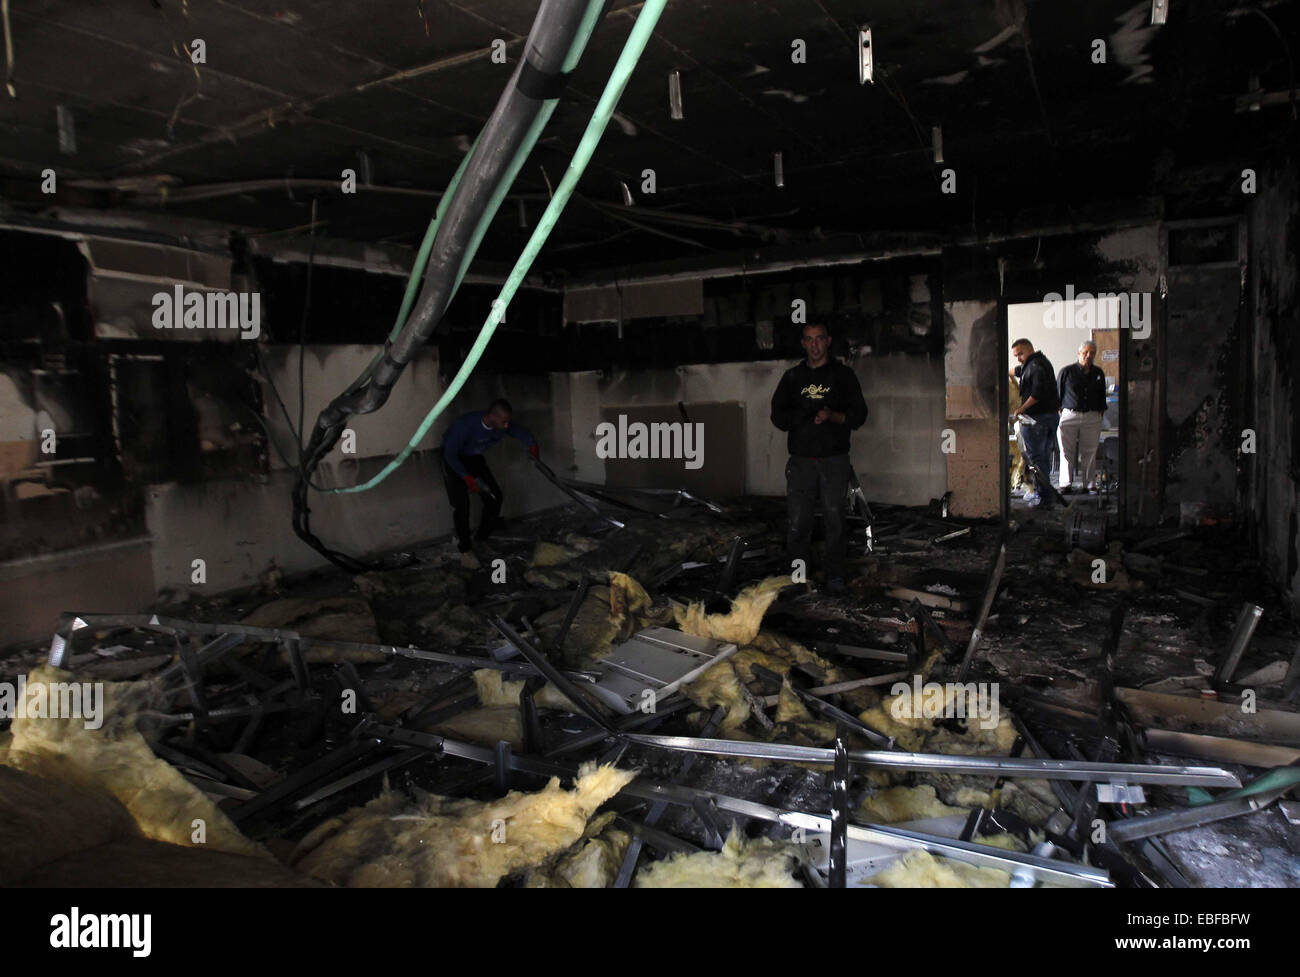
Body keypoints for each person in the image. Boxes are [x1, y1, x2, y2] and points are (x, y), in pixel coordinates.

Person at [770, 322, 868, 595]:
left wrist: (832, 416)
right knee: (799, 521)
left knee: (835, 519)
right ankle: (798, 576)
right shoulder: (792, 378)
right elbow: (777, 417)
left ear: (828, 341)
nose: (814, 345)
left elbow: (860, 415)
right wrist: (800, 414)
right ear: (803, 343)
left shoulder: (843, 376)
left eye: (819, 339)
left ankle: (834, 577)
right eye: (809, 340)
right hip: (801, 462)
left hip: (834, 461)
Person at [441, 399, 538, 569]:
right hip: (454, 460)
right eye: (504, 422)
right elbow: (450, 454)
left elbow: (521, 432)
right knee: (461, 506)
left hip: (474, 459)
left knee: (495, 497)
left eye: (508, 421)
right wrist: (467, 477)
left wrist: (532, 445)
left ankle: (481, 540)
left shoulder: (500, 425)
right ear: (492, 416)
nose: (507, 426)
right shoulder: (465, 426)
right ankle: (465, 550)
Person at [1009, 338, 1059, 508]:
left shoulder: (1036, 366)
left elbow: (1037, 393)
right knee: (1041, 458)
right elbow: (1019, 370)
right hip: (1045, 418)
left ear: (1029, 349)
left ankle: (1043, 498)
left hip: (1038, 419)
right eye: (1016, 355)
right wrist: (1006, 372)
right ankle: (1042, 493)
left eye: (1020, 354)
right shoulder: (1034, 364)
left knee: (1038, 460)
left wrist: (1021, 409)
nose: (1019, 358)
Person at [1056, 340, 1107, 493]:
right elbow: (1057, 395)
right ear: (1079, 353)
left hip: (1092, 416)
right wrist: (1061, 412)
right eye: (1085, 352)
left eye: (1092, 353)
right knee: (1066, 451)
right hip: (1069, 415)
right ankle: (1066, 484)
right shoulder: (1066, 371)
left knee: (1090, 451)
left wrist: (1098, 414)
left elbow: (1102, 396)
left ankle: (1089, 484)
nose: (1088, 355)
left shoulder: (1098, 373)